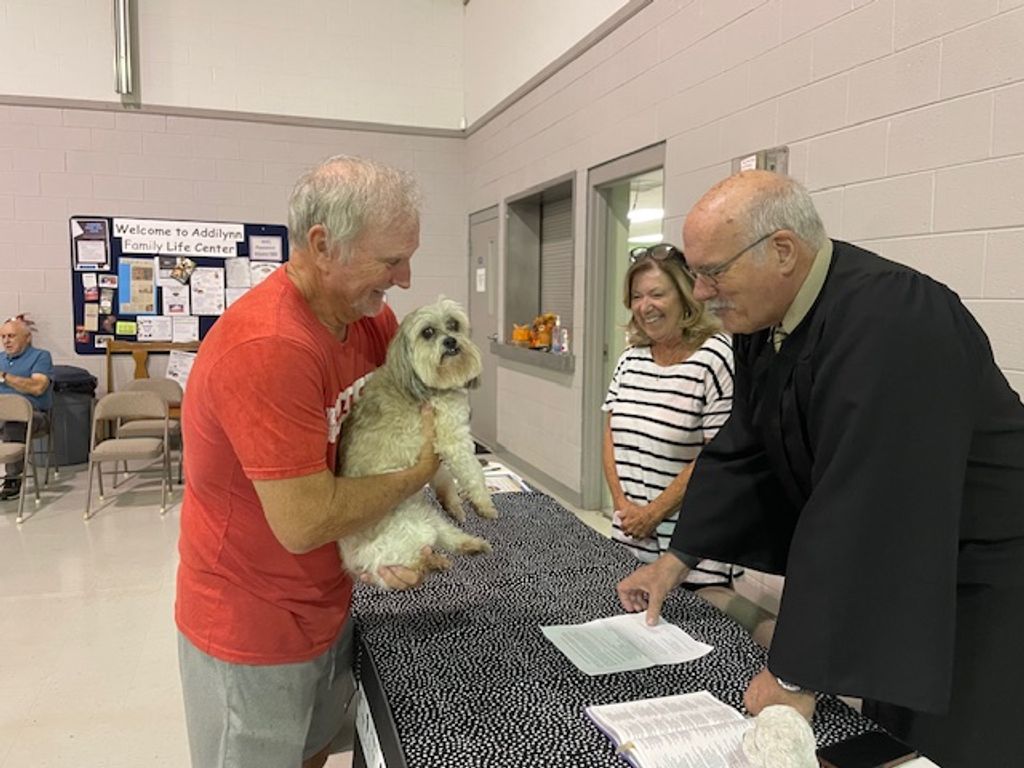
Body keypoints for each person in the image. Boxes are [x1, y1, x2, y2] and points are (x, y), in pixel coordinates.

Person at [616, 170, 1024, 767]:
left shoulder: (894, 317)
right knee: (890, 732)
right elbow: (745, 448)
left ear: (782, 250)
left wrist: (794, 674)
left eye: (713, 272)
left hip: (982, 573)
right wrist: (676, 561)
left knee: (956, 741)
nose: (700, 293)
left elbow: (868, 505)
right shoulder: (765, 323)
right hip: (907, 558)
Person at [176, 155, 447, 768]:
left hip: (329, 596)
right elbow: (304, 520)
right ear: (323, 245)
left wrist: (388, 542)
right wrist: (417, 475)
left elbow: (403, 423)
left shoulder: (369, 318)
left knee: (314, 751)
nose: (404, 278)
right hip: (251, 620)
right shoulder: (271, 346)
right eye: (390, 260)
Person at [602, 244, 736, 587]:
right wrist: (622, 506)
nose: (645, 306)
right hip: (630, 539)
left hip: (692, 553)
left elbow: (717, 455)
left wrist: (654, 513)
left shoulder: (716, 358)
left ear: (686, 295)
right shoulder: (631, 358)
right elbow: (610, 434)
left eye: (657, 294)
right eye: (636, 296)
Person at [0, 315, 52, 501]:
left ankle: (13, 479)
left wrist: (5, 377)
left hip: (34, 417)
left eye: (12, 336)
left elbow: (38, 387)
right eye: (3, 337)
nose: (6, 341)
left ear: (27, 337)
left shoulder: (41, 357)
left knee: (13, 423)